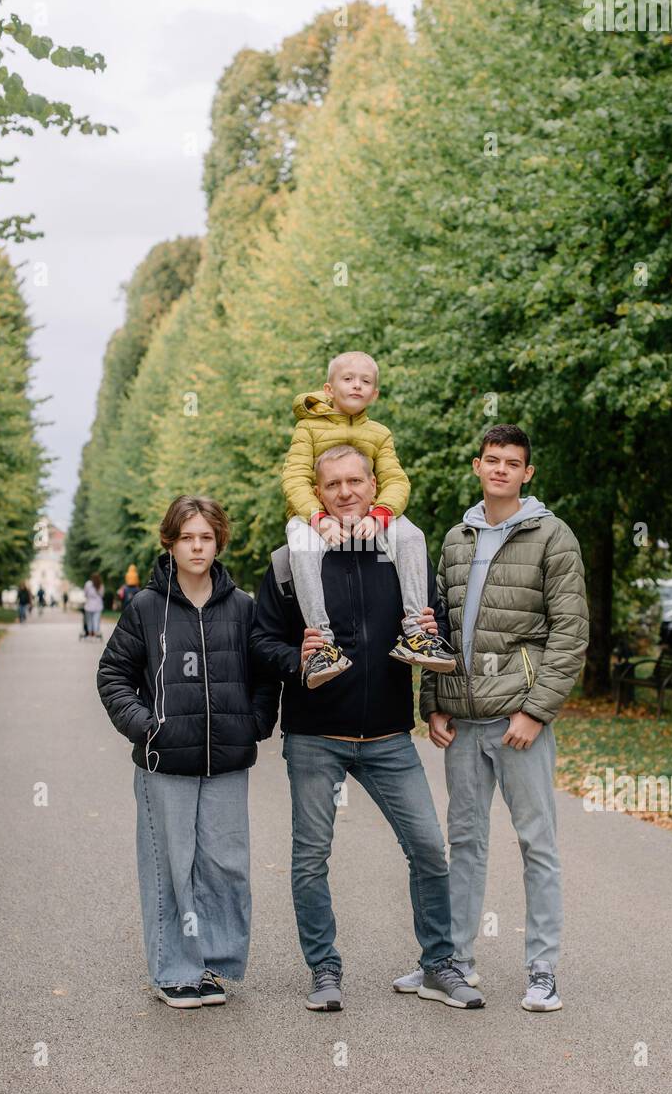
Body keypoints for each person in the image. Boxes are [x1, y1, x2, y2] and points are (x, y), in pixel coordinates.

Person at [251, 445, 484, 1013]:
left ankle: (437, 964)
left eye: (356, 481)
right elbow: (260, 643)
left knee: (430, 849)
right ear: (318, 492)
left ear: (375, 484)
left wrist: (432, 658)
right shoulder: (291, 560)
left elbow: (431, 635)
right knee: (310, 859)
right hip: (314, 734)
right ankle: (324, 970)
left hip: (387, 735)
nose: (347, 492)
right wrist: (296, 659)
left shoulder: (401, 552)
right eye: (333, 484)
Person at [397, 424, 588, 1012]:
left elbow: (571, 634)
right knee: (465, 842)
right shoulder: (456, 538)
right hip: (464, 719)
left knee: (537, 843)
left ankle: (542, 971)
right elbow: (440, 629)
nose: (501, 469)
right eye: (492, 460)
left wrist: (536, 710)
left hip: (519, 720)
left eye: (513, 462)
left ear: (528, 474)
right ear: (477, 466)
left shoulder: (553, 537)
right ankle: (455, 961)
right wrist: (433, 702)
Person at [97, 495, 278, 1009]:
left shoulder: (243, 607)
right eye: (187, 538)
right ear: (171, 543)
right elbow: (113, 675)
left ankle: (212, 966)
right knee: (171, 866)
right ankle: (174, 969)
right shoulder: (145, 607)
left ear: (219, 542)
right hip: (165, 762)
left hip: (226, 762)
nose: (197, 547)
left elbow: (264, 676)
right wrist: (145, 728)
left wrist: (255, 724)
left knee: (226, 864)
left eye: (206, 537)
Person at [282, 351, 455, 688]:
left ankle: (418, 634)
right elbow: (294, 480)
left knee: (411, 536)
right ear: (329, 388)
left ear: (374, 394)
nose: (357, 385)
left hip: (370, 514)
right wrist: (318, 519)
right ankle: (324, 646)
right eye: (348, 379)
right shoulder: (308, 429)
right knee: (301, 546)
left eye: (366, 381)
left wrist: (380, 515)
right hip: (314, 515)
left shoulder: (379, 433)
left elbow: (396, 480)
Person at [83, 574, 104, 638]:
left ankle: (89, 634)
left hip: (89, 605)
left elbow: (85, 594)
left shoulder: (88, 584)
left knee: (89, 620)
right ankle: (95, 633)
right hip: (98, 605)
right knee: (96, 620)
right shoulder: (101, 585)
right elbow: (102, 595)